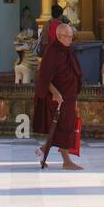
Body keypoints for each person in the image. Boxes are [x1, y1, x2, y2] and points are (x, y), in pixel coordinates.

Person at [33, 22, 84, 170]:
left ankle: (42, 151)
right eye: (67, 36)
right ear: (59, 36)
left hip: (69, 96)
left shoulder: (69, 51)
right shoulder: (53, 51)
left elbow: (75, 73)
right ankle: (66, 160)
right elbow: (43, 76)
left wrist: (75, 98)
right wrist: (55, 93)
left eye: (71, 37)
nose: (70, 39)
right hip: (58, 97)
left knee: (64, 128)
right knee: (62, 128)